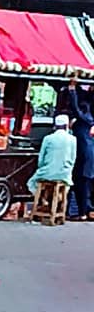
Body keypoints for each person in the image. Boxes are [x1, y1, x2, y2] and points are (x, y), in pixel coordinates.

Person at [27, 113, 76, 198]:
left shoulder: (47, 138)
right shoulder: (73, 139)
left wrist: (43, 168)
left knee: (31, 183)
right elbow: (72, 159)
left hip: (46, 173)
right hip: (64, 175)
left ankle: (42, 199)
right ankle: (56, 199)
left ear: (55, 126)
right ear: (66, 126)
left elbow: (41, 160)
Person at [66, 78, 94, 220]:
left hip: (84, 160)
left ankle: (83, 212)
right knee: (85, 186)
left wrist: (72, 91)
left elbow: (77, 111)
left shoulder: (86, 120)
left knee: (82, 185)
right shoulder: (88, 120)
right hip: (86, 159)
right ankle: (85, 211)